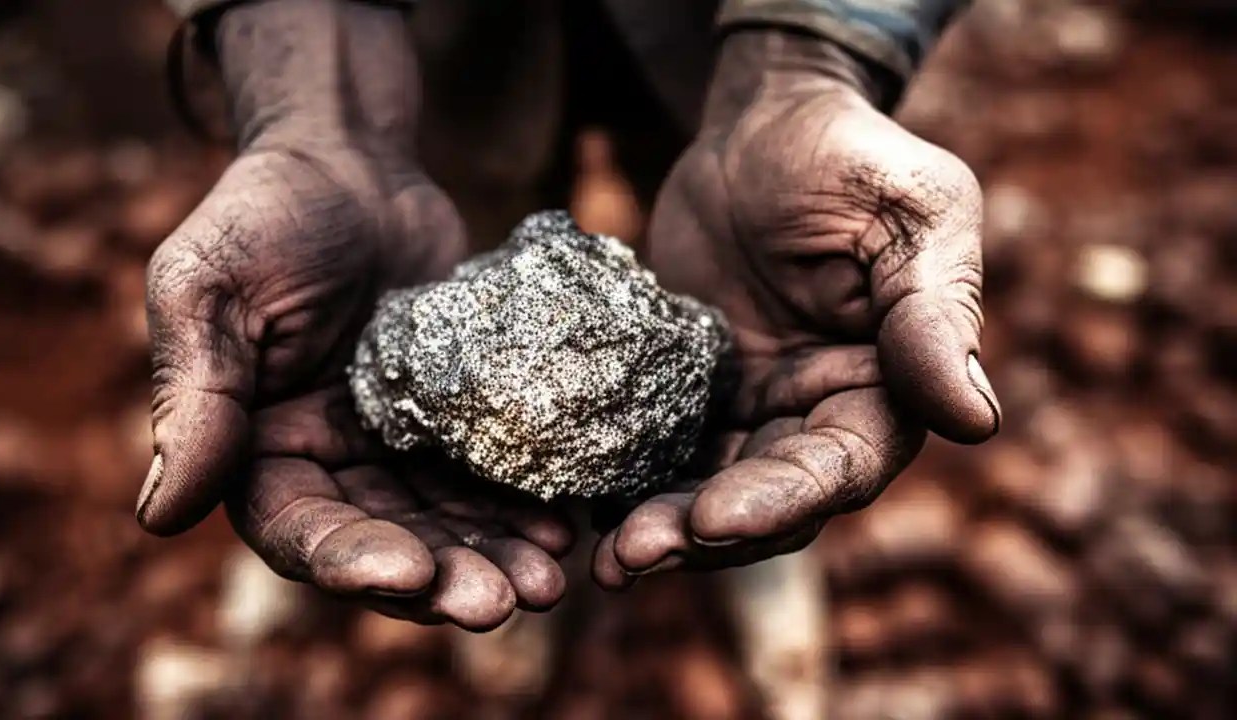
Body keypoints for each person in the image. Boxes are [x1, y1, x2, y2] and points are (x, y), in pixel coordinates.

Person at [141, 0, 999, 632]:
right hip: (424, 40)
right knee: (450, 196)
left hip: (729, 40)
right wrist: (312, 98)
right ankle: (511, 544)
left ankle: (742, 540)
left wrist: (809, 55)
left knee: (734, 206)